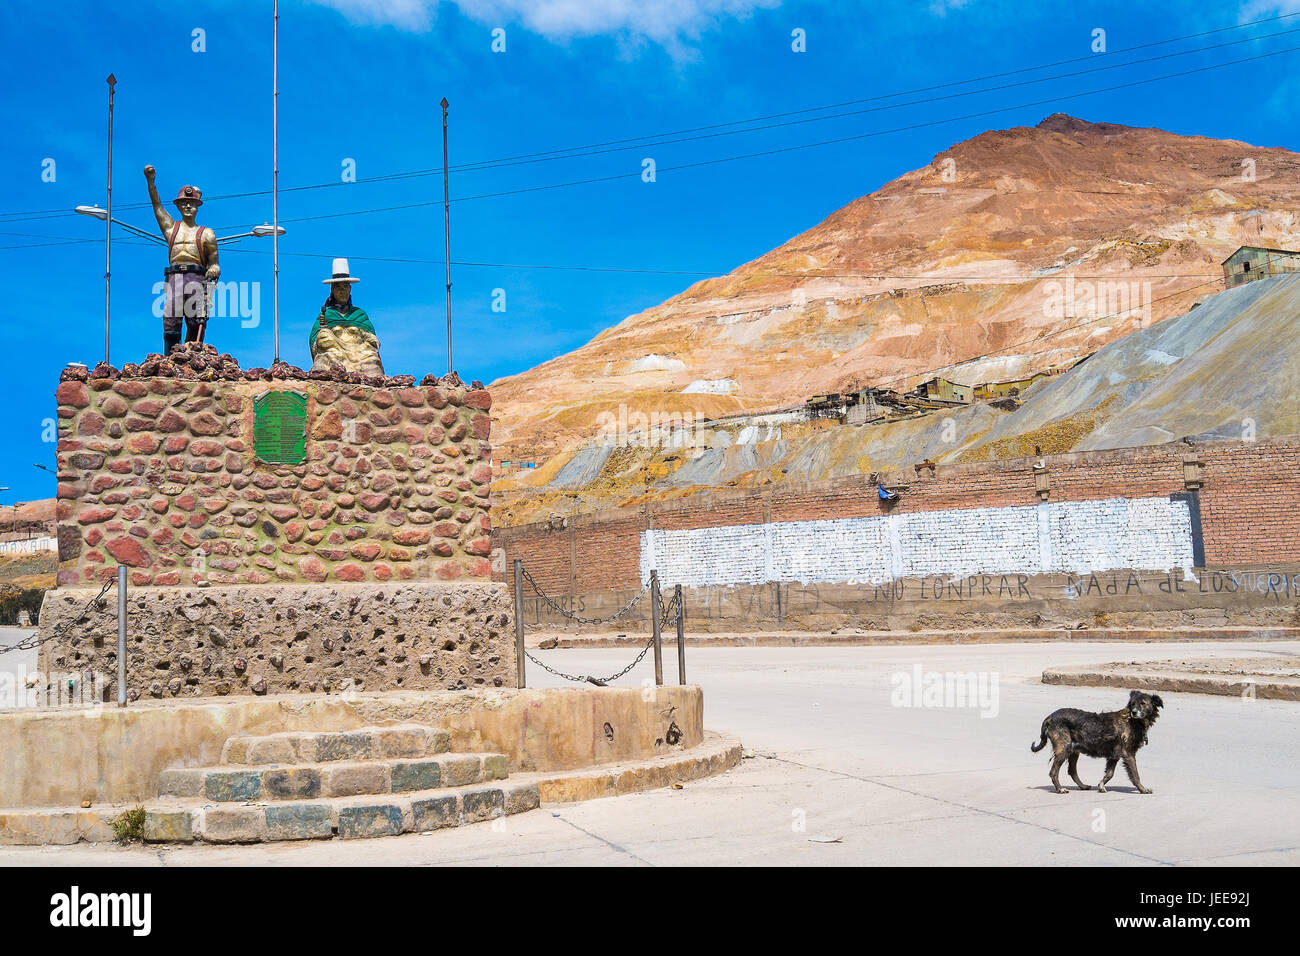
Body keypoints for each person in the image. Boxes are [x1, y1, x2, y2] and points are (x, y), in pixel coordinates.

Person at [144, 166, 219, 354]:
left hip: (196, 277)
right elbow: (157, 206)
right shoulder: (171, 229)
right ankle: (170, 358)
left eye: (191, 203)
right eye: (184, 203)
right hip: (175, 277)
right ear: (178, 206)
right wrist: (151, 182)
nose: (187, 206)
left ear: (197, 206)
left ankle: (191, 356)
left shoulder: (207, 234)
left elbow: (214, 262)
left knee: (195, 320)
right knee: (171, 318)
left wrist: (214, 269)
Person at [309, 258, 385, 376]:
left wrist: (367, 343)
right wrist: (324, 337)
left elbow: (372, 340)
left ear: (350, 289)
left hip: (361, 356)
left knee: (371, 361)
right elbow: (315, 341)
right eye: (338, 287)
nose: (342, 291)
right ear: (332, 290)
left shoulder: (359, 314)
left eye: (345, 287)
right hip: (334, 355)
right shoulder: (326, 315)